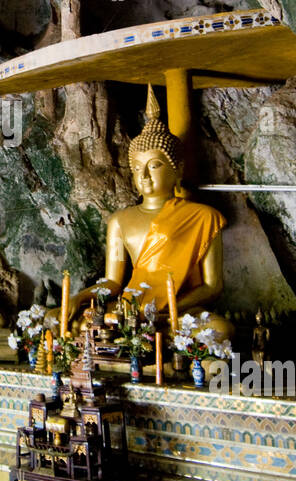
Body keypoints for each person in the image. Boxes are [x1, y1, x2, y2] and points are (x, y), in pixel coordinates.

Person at [68, 87, 230, 338]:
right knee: (79, 323)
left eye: (154, 165)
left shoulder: (203, 217)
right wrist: (78, 298)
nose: (143, 176)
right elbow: (112, 282)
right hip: (132, 308)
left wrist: (169, 310)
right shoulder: (120, 221)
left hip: (179, 311)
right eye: (136, 167)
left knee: (220, 329)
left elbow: (212, 286)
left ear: (178, 170)